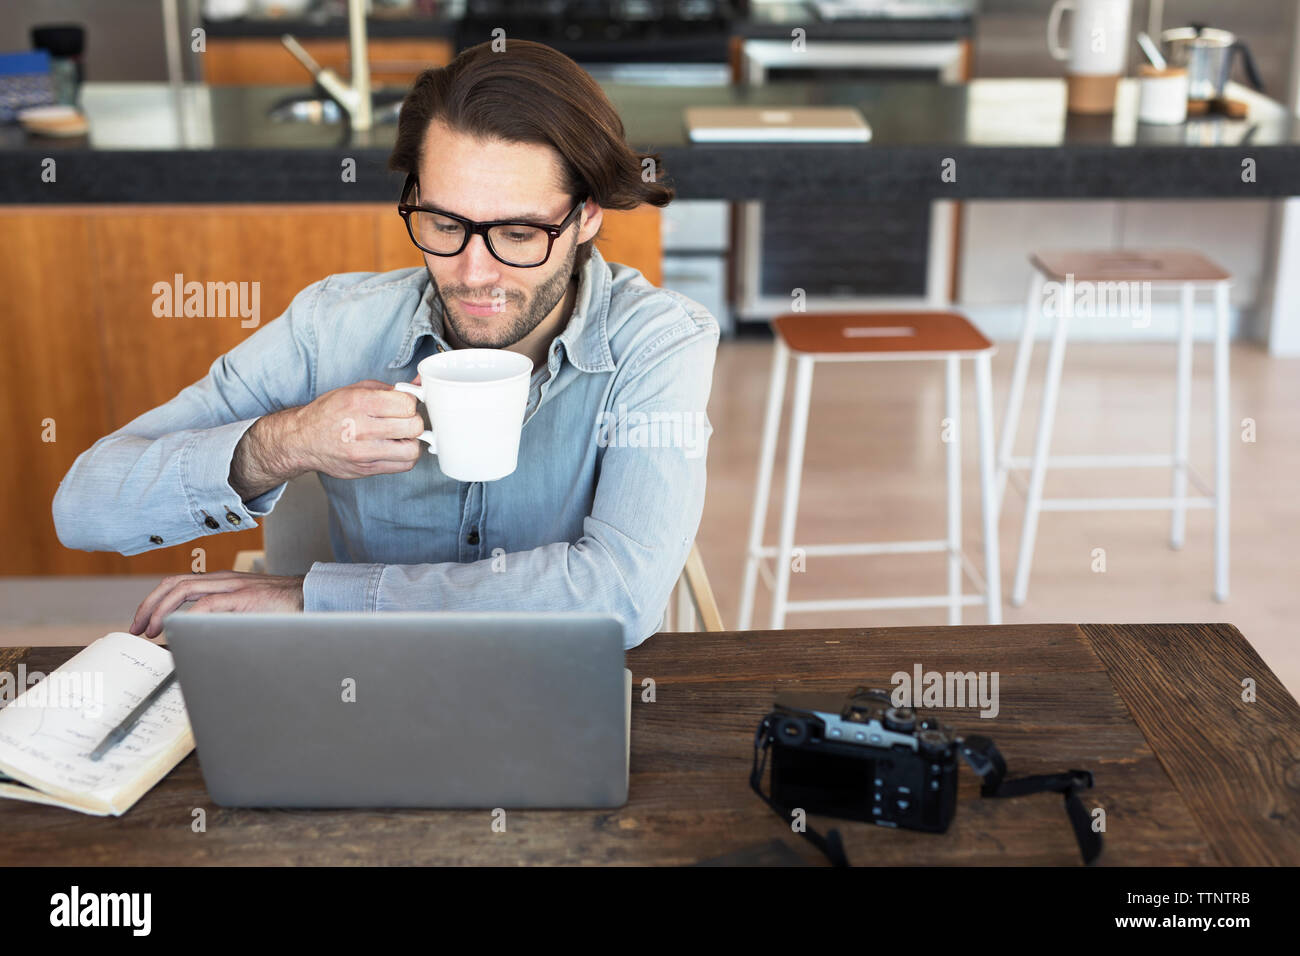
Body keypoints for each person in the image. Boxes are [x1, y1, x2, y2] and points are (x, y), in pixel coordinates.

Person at [52, 39, 719, 649]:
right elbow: (84, 509)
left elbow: (618, 596)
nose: (475, 273)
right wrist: (287, 442)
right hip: (353, 683)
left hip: (560, 688)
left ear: (587, 216)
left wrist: (314, 601)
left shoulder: (658, 343)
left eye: (518, 233)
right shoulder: (332, 326)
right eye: (443, 222)